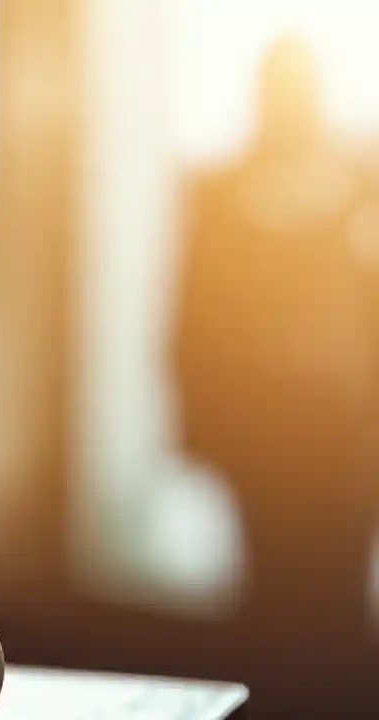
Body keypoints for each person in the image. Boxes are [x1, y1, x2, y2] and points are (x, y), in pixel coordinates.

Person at [173, 34, 379, 700]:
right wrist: (199, 426)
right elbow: (192, 311)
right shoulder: (222, 190)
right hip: (261, 440)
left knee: (339, 598)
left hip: (345, 438)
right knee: (269, 597)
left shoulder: (361, 179)